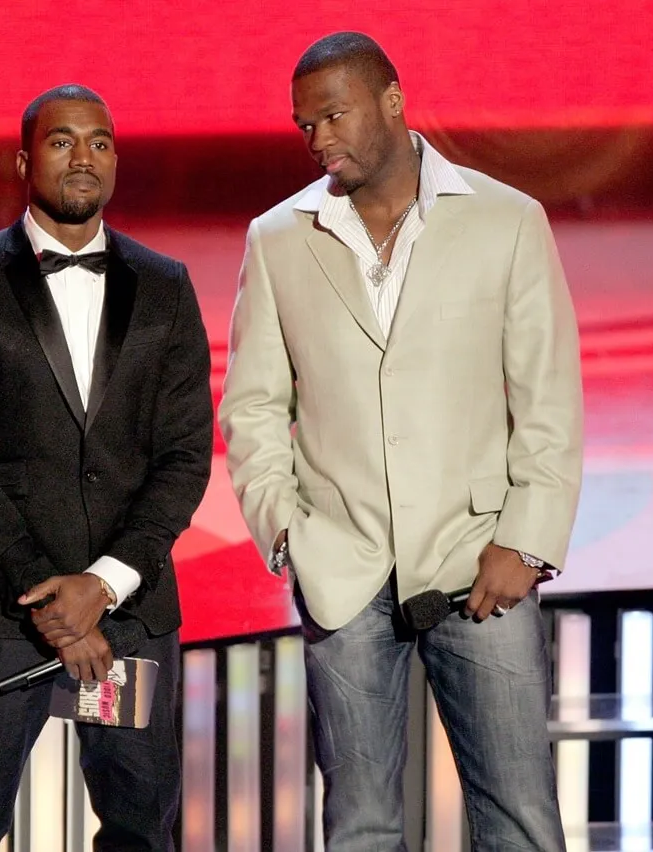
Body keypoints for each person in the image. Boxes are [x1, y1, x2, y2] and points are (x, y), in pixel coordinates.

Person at [219, 32, 582, 851]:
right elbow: (252, 406)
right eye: (304, 125)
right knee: (358, 826)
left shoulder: (506, 222)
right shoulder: (279, 238)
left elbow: (548, 399)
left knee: (521, 819)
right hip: (341, 568)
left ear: (392, 101)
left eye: (334, 116)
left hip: (477, 561)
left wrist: (525, 544)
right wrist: (287, 533)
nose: (319, 140)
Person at [0, 84, 213, 851]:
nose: (85, 157)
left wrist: (105, 583)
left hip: (130, 617)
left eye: (101, 142)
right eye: (62, 141)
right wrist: (52, 603)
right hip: (4, 612)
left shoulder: (167, 286)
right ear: (25, 159)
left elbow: (183, 456)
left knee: (139, 831)